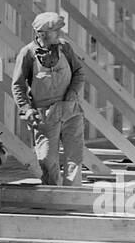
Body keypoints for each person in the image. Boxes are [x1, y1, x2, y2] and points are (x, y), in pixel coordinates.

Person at [11, 12, 86, 186]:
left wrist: (72, 93)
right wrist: (26, 109)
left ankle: (72, 197)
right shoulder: (27, 53)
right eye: (55, 31)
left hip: (70, 110)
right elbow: (18, 85)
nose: (60, 34)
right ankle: (53, 193)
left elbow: (79, 72)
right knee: (46, 159)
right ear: (42, 33)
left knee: (74, 158)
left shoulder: (65, 48)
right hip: (45, 115)